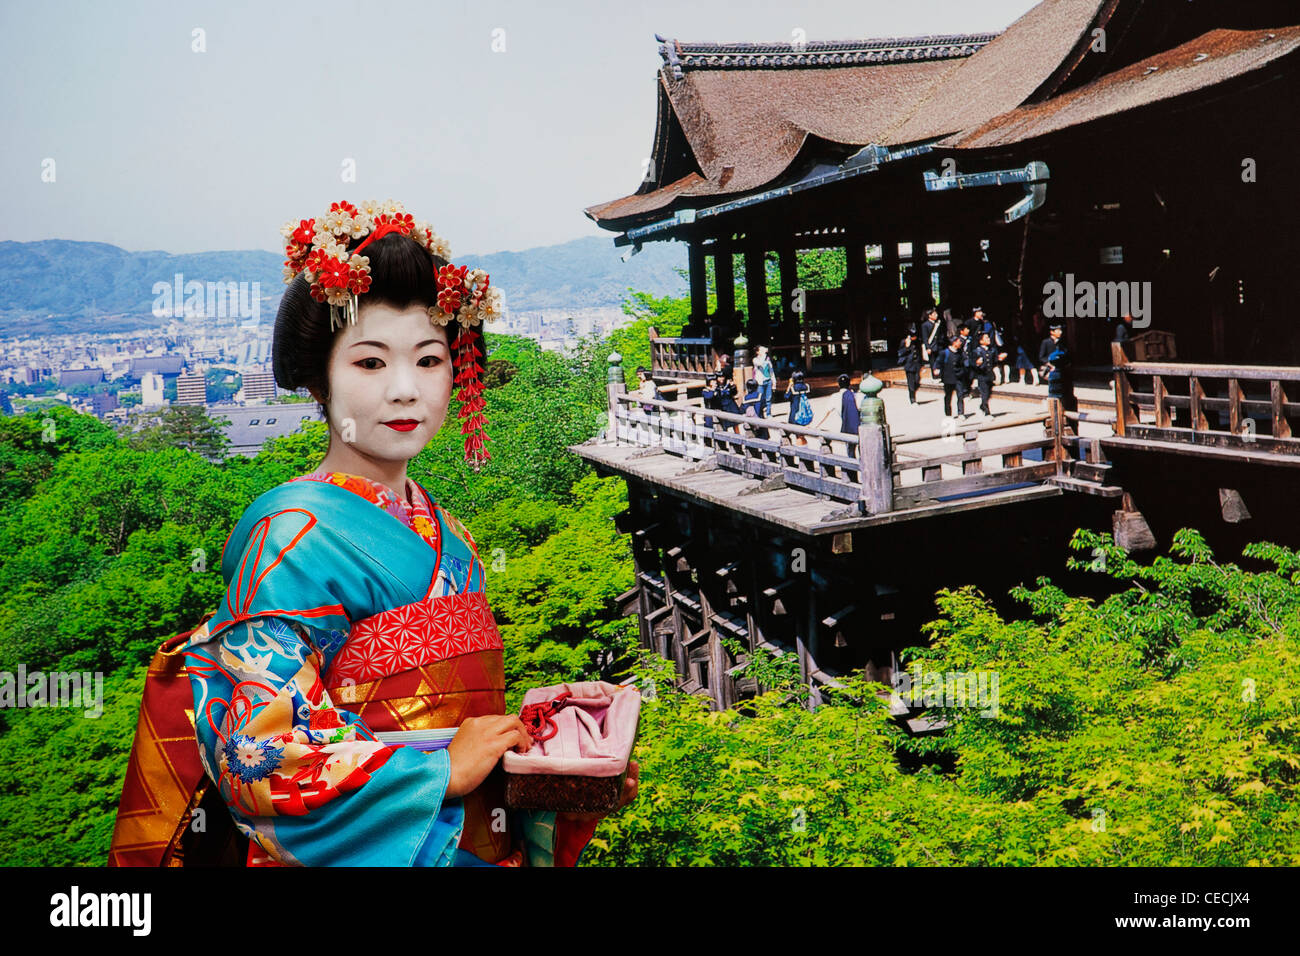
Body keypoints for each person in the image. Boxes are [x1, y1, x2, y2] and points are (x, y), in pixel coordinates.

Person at [108, 199, 636, 868]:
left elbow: (467, 726)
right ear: (318, 378)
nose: (406, 390)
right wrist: (438, 774)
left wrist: (548, 744)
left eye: (429, 360)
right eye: (370, 364)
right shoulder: (289, 536)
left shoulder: (456, 537)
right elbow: (260, 752)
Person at [972, 330, 1005, 417]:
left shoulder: (992, 350)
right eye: (986, 338)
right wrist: (977, 363)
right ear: (981, 341)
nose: (988, 339)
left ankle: (982, 406)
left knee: (988, 393)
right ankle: (987, 412)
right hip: (981, 375)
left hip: (990, 375)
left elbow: (994, 362)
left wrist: (999, 358)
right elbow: (972, 364)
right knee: (984, 393)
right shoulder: (977, 351)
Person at [939, 335, 966, 419]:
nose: (960, 343)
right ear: (954, 342)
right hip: (948, 378)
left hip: (958, 377)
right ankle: (948, 414)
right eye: (958, 341)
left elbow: (964, 362)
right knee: (948, 396)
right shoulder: (945, 352)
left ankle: (961, 413)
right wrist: (937, 370)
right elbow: (939, 362)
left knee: (960, 395)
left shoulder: (960, 352)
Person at [784, 369, 812, 445]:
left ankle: (802, 451)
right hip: (804, 413)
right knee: (801, 435)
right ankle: (804, 448)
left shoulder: (793, 388)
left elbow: (786, 397)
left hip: (795, 415)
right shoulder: (807, 386)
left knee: (797, 435)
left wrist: (789, 386)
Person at [897, 327, 922, 404]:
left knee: (917, 381)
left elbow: (919, 352)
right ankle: (912, 399)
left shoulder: (918, 341)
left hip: (917, 364)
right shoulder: (904, 342)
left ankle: (913, 392)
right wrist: (907, 347)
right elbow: (900, 353)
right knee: (911, 383)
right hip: (909, 364)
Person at [753, 344, 775, 417]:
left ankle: (769, 414)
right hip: (760, 382)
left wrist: (774, 381)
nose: (764, 351)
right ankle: (760, 414)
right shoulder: (755, 360)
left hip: (768, 380)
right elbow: (761, 364)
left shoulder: (767, 359)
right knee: (760, 398)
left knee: (768, 398)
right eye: (761, 350)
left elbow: (771, 370)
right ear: (757, 352)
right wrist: (764, 355)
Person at [921, 306, 944, 373]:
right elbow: (925, 337)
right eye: (934, 314)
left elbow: (941, 334)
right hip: (931, 345)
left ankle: (940, 375)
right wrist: (927, 347)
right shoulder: (925, 325)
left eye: (936, 314)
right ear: (929, 316)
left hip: (939, 345)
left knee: (939, 360)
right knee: (933, 361)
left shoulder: (938, 324)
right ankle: (935, 376)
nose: (936, 315)